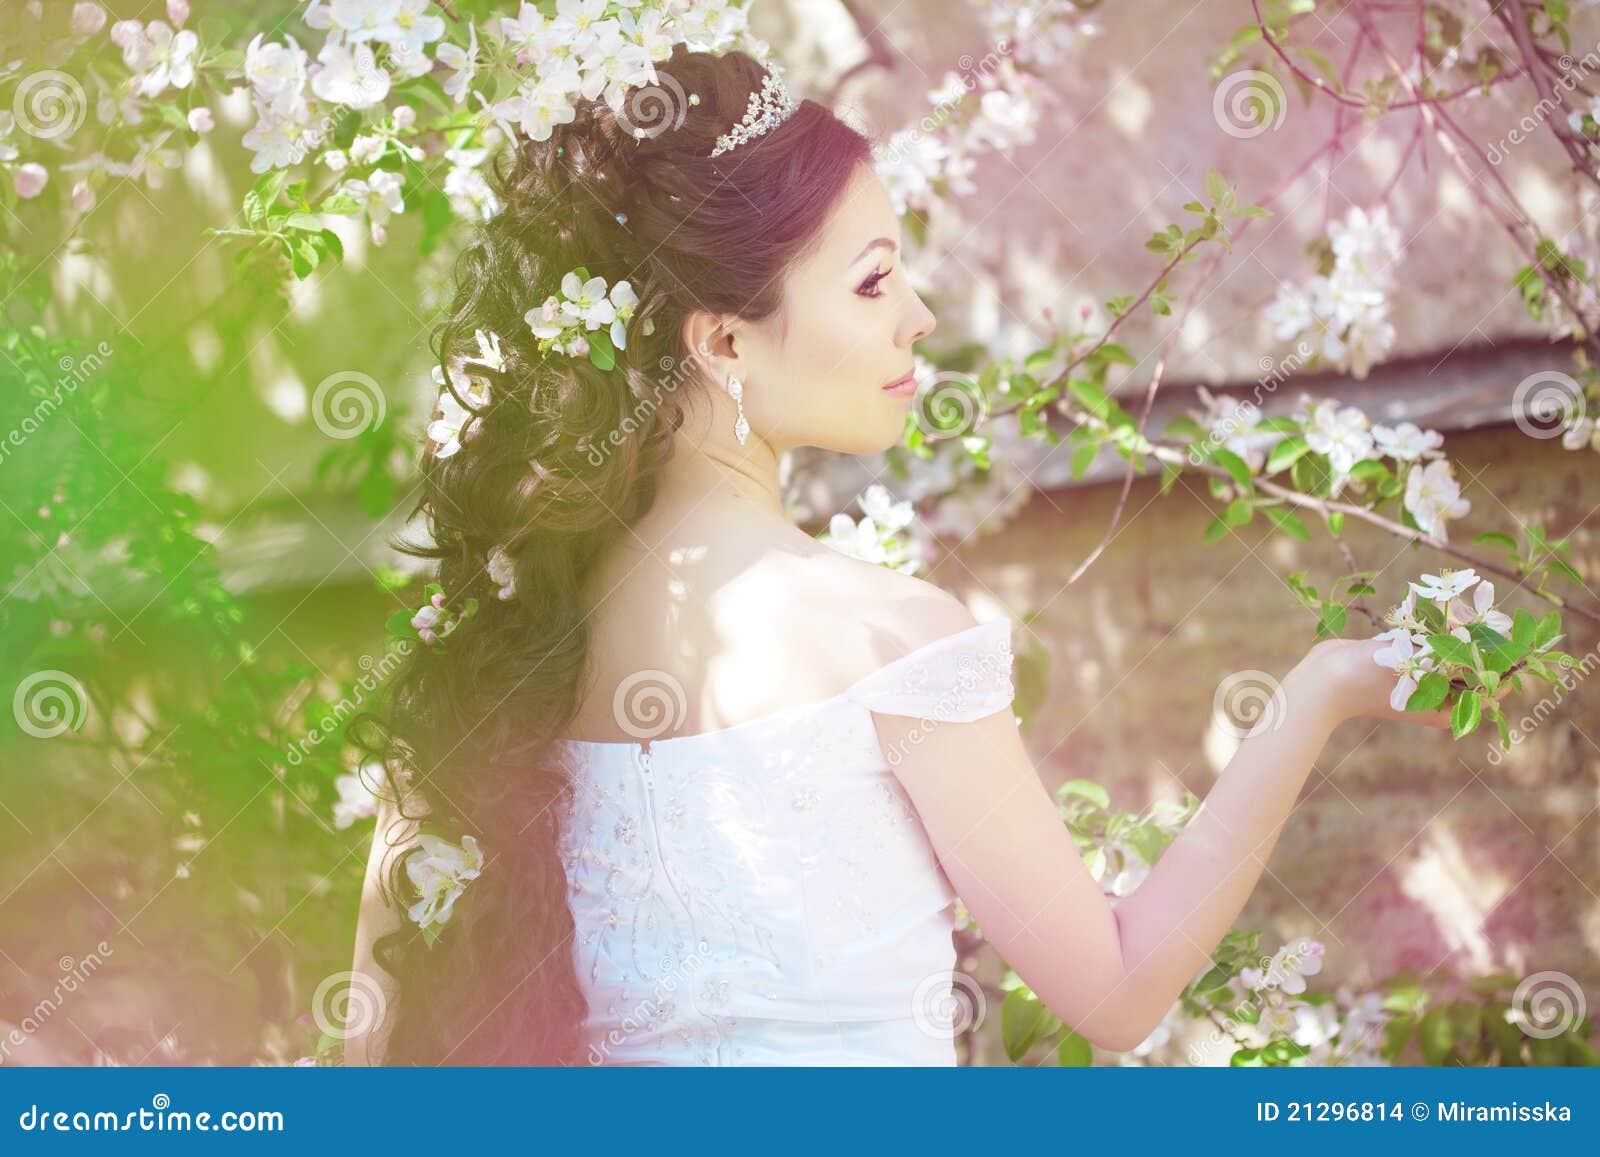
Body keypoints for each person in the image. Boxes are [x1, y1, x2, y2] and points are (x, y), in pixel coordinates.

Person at [343, 46, 1450, 1067]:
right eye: (873, 281)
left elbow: (372, 1066)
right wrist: (1317, 693)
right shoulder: (881, 635)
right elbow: (1113, 994)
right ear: (723, 341)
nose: (919, 316)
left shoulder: (487, 653)